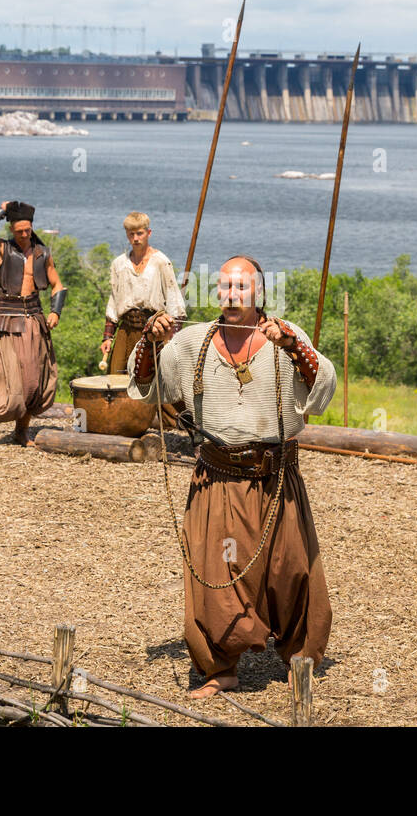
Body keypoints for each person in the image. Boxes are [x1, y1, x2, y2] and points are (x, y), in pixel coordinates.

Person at [128, 256, 335, 699]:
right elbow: (146, 384)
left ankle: (300, 658)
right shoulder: (192, 343)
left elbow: (322, 390)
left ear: (259, 292)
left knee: (292, 571)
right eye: (224, 287)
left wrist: (294, 346)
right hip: (217, 479)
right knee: (215, 574)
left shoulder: (285, 336)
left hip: (278, 479)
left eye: (241, 286)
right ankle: (221, 668)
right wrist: (150, 338)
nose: (232, 294)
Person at [0, 200, 66, 447]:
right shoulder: (1, 250)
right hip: (8, 323)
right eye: (19, 230)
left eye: (27, 230)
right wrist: (2, 211)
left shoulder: (43, 254)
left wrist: (55, 313)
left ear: (32, 227)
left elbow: (58, 285)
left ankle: (22, 432)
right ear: (11, 230)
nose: (24, 234)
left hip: (36, 322)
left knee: (33, 380)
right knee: (1, 378)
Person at [100, 212, 186, 374]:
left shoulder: (161, 262)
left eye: (140, 233)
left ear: (149, 233)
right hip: (125, 331)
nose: (136, 238)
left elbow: (175, 302)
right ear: (127, 234)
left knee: (151, 381)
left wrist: (172, 339)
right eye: (131, 234)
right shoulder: (119, 264)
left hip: (153, 332)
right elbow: (113, 301)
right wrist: (107, 337)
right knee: (115, 378)